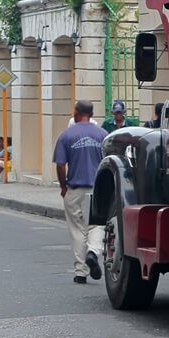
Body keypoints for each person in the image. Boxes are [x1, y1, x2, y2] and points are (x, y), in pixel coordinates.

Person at [54, 100, 108, 284]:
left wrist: (63, 187)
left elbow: (61, 165)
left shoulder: (66, 136)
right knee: (98, 225)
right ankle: (93, 251)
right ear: (91, 114)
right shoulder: (103, 135)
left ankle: (80, 272)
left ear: (76, 113)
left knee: (77, 230)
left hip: (75, 188)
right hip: (98, 189)